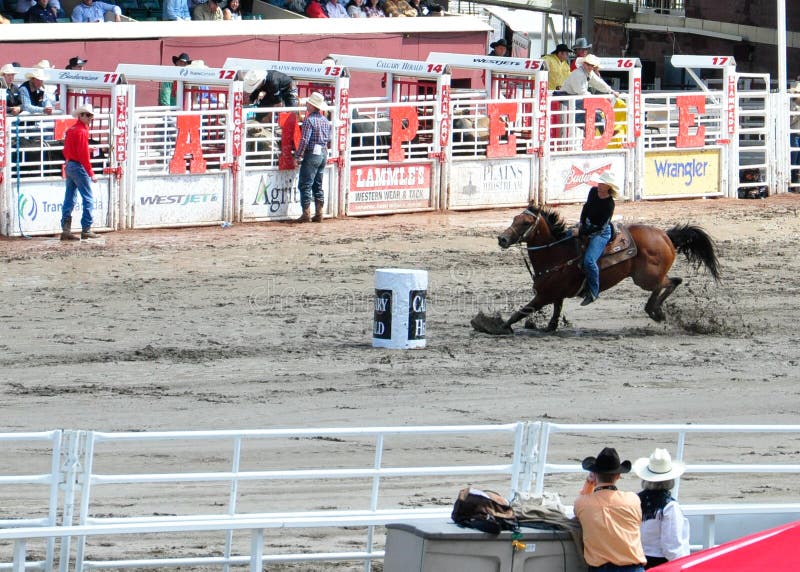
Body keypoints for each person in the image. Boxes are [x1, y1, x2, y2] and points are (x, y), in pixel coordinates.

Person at [573, 447, 647, 572]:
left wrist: (589, 483)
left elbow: (578, 509)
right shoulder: (633, 499)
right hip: (632, 568)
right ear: (618, 476)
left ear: (594, 474)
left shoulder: (582, 503)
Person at [633, 449, 690, 569]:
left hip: (637, 559)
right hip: (659, 562)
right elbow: (672, 547)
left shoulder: (635, 500)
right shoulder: (669, 506)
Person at [576, 170, 618, 306]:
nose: (599, 185)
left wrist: (582, 232)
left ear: (608, 187)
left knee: (589, 261)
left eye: (603, 183)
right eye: (600, 182)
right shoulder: (593, 191)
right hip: (586, 225)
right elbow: (586, 207)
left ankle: (594, 291)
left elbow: (601, 226)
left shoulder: (609, 204)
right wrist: (581, 224)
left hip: (600, 232)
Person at [60, 103, 99, 240]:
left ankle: (66, 230)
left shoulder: (72, 129)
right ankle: (86, 229)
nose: (90, 118)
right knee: (87, 197)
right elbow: (83, 155)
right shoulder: (82, 131)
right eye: (88, 115)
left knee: (69, 198)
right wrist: (91, 173)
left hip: (70, 164)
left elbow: (67, 151)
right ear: (81, 115)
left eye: (90, 115)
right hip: (78, 166)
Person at [293, 92, 331, 223]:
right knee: (317, 184)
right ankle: (319, 213)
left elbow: (304, 140)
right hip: (323, 153)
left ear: (312, 105)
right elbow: (328, 138)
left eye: (308, 103)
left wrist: (298, 155)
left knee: (305, 184)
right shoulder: (325, 120)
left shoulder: (309, 120)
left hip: (312, 154)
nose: (307, 104)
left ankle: (306, 214)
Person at [560, 53, 619, 132]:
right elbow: (581, 91)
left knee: (590, 113)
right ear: (584, 64)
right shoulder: (579, 74)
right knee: (591, 112)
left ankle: (600, 130)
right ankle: (603, 130)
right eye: (588, 64)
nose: (590, 67)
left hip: (573, 99)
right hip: (567, 99)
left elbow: (598, 83)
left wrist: (610, 90)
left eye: (592, 65)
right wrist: (596, 98)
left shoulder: (586, 73)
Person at [790, 83, 800, 185]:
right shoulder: (792, 105)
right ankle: (792, 182)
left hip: (796, 134)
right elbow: (789, 122)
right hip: (794, 134)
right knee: (794, 159)